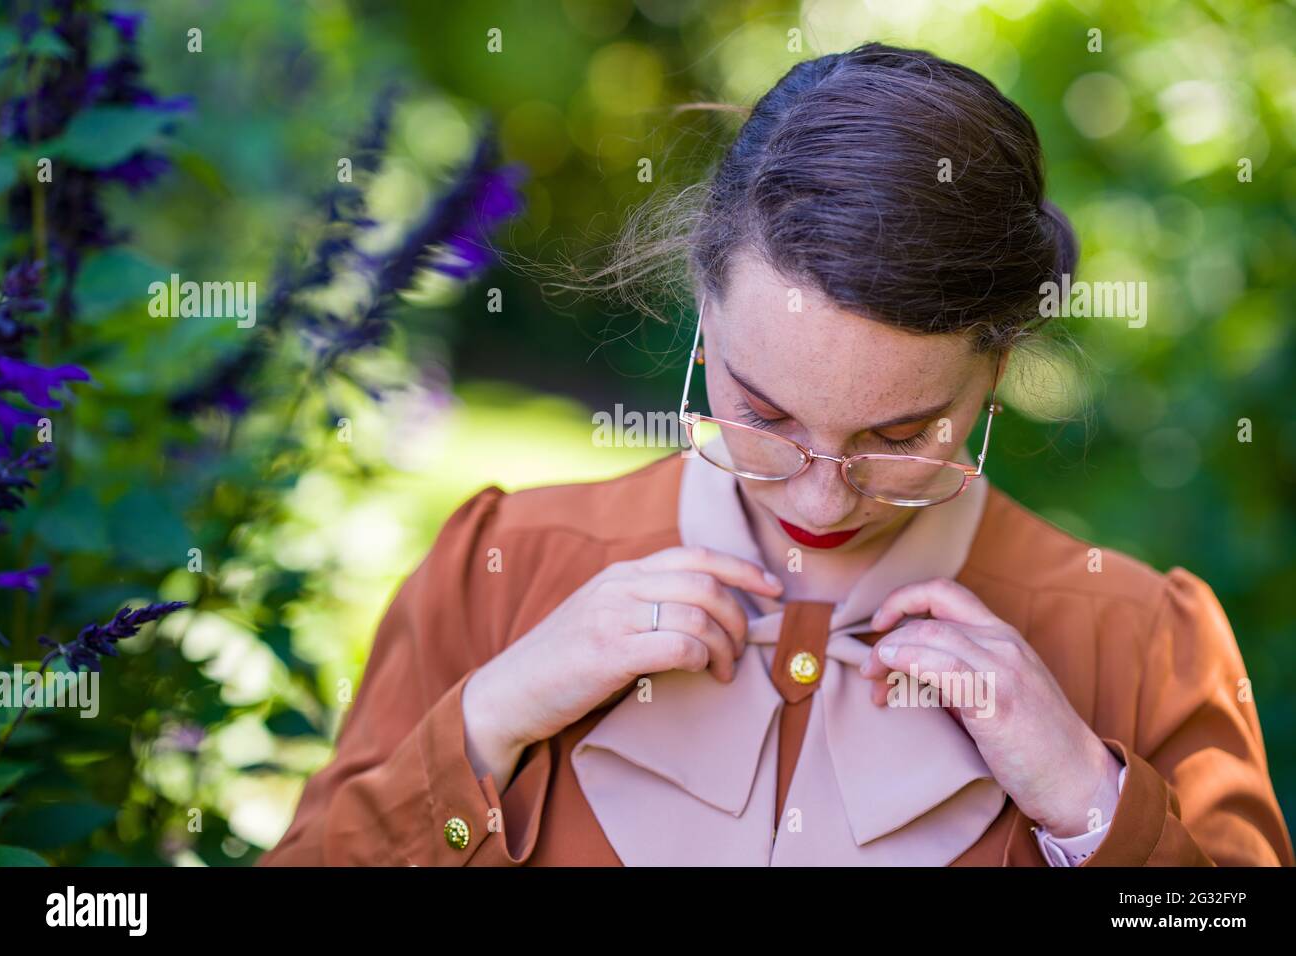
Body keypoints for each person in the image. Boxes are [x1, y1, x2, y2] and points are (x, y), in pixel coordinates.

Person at [258, 42, 1293, 867]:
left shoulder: (1142, 641)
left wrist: (1089, 800)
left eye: (896, 436)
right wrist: (488, 722)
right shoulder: (501, 567)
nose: (819, 493)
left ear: (998, 367)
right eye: (763, 410)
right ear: (701, 306)